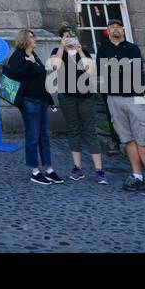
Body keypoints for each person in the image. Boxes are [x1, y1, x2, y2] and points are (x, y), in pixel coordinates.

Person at [98, 19, 145, 196]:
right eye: (112, 27)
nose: (115, 29)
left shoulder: (132, 48)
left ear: (122, 30)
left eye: (118, 27)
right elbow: (104, 71)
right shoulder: (103, 50)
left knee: (142, 138)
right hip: (114, 98)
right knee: (127, 139)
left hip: (133, 97)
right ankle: (137, 175)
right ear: (108, 31)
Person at [4, 30, 62, 185]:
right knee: (32, 136)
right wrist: (27, 64)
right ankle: (35, 171)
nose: (35, 39)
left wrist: (49, 100)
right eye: (32, 37)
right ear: (24, 39)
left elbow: (41, 78)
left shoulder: (34, 56)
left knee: (44, 135)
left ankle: (49, 168)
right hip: (29, 101)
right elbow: (13, 75)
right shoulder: (18, 56)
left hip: (41, 100)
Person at [50, 24, 105, 183]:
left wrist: (80, 50)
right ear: (62, 38)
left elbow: (89, 70)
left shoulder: (84, 52)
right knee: (73, 129)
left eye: (71, 36)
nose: (69, 39)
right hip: (67, 96)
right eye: (65, 36)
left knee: (90, 131)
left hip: (86, 95)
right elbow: (55, 66)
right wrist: (61, 47)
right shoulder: (57, 52)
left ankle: (99, 170)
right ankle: (77, 168)